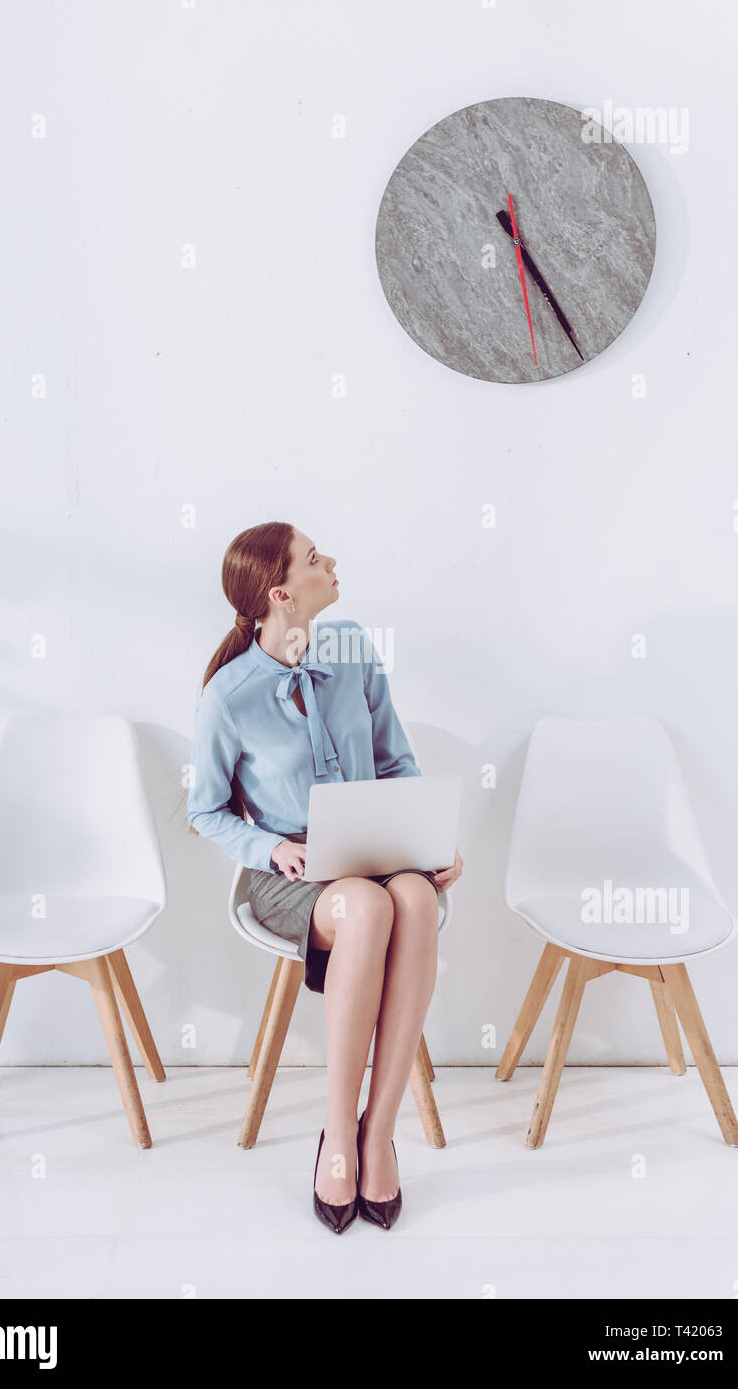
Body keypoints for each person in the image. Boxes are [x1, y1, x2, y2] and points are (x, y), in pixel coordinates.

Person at [186, 521, 463, 1232]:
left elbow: (396, 763)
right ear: (280, 592)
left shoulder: (354, 653)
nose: (331, 561)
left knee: (411, 898)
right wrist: (272, 850)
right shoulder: (229, 694)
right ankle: (338, 1134)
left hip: (376, 848)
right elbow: (208, 812)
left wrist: (430, 842)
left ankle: (378, 1134)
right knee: (368, 912)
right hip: (291, 872)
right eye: (314, 559)